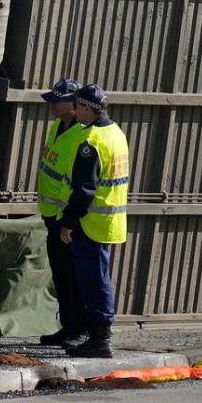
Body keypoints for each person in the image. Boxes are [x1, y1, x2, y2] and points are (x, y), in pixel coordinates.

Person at [59, 84, 129, 358]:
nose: (74, 112)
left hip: (92, 222)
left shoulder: (92, 142)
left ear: (87, 108)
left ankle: (100, 339)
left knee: (94, 280)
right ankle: (98, 336)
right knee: (98, 278)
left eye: (77, 106)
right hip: (109, 219)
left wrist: (69, 222)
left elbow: (85, 189)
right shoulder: (116, 133)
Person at [35, 78, 89, 349]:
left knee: (74, 275)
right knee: (61, 275)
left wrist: (68, 217)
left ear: (75, 104)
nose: (53, 105)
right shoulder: (58, 126)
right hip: (52, 214)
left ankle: (80, 329)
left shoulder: (83, 134)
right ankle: (68, 326)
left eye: (58, 101)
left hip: (69, 218)